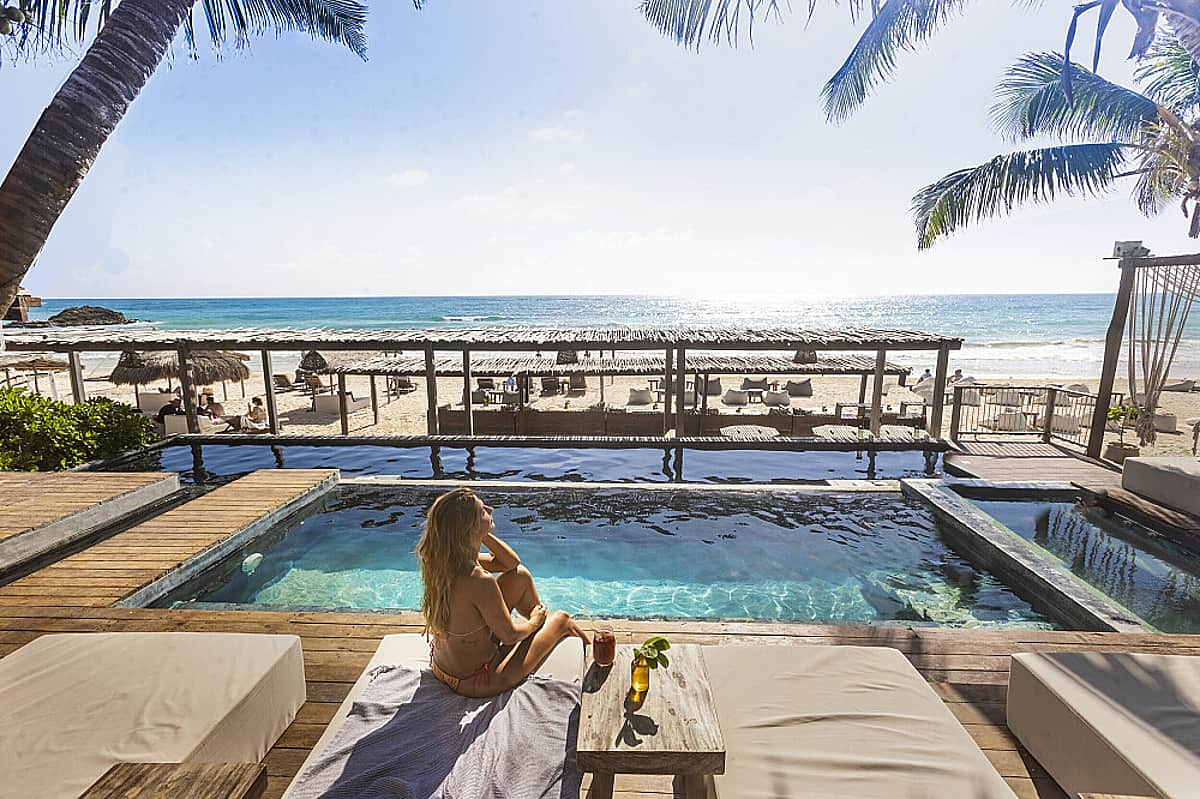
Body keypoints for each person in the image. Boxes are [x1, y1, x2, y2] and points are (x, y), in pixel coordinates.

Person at [417, 488, 587, 698]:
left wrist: (482, 532)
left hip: (442, 668)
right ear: (469, 528)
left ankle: (542, 635)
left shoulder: (441, 562)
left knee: (519, 576)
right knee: (562, 619)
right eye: (483, 511)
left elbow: (511, 564)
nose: (491, 508)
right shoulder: (479, 580)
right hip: (478, 680)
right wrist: (535, 621)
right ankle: (599, 663)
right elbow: (509, 637)